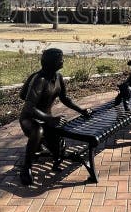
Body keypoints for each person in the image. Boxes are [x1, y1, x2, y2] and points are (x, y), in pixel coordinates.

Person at [19, 48, 93, 186]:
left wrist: (81, 110)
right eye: (60, 59)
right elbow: (29, 108)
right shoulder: (39, 80)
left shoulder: (58, 76)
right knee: (38, 131)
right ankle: (26, 168)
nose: (63, 60)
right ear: (52, 62)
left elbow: (65, 98)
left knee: (59, 150)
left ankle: (40, 145)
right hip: (29, 119)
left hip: (47, 119)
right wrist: (50, 119)